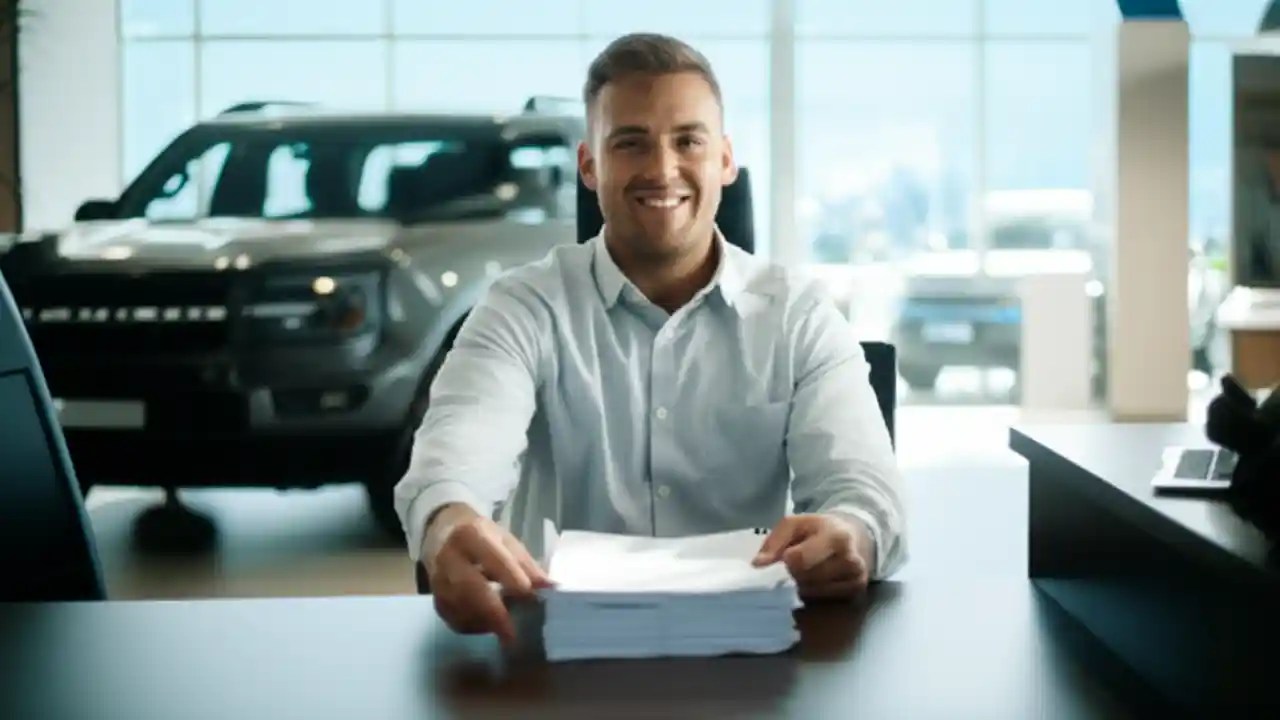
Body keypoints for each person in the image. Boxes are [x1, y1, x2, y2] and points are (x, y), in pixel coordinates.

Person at [394, 33, 906, 648]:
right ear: (590, 165)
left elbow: (868, 494)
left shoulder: (797, 313)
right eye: (631, 142)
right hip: (555, 657)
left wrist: (852, 534)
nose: (662, 169)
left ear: (723, 159)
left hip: (752, 658)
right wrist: (448, 520)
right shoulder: (521, 307)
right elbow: (450, 465)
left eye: (688, 140)